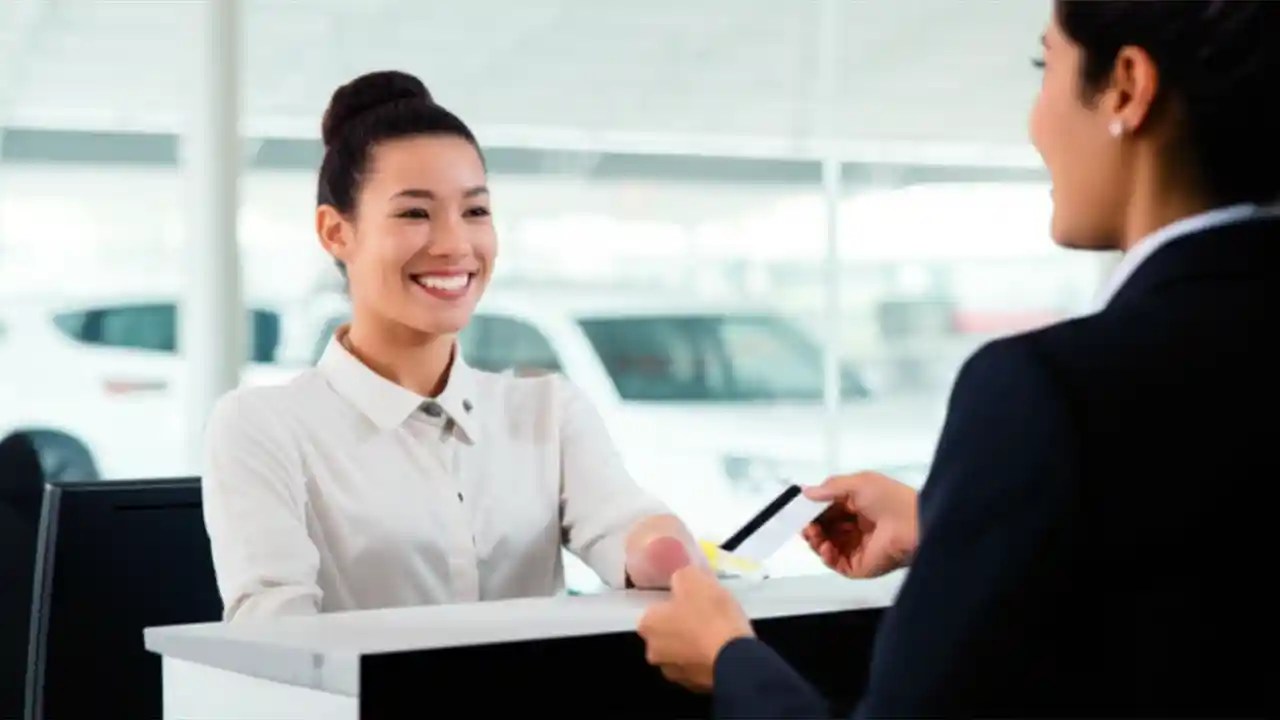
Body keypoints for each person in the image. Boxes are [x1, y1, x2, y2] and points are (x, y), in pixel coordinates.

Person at [637, 1, 1279, 716]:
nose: (1034, 126)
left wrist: (730, 661)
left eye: (1046, 68)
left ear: (1127, 86)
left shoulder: (1048, 389)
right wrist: (964, 529)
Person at [201, 70, 701, 622]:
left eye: (475, 211)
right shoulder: (264, 425)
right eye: (415, 212)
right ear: (336, 232)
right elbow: (274, 633)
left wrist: (669, 552)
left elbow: (624, 523)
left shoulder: (547, 412)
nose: (454, 244)